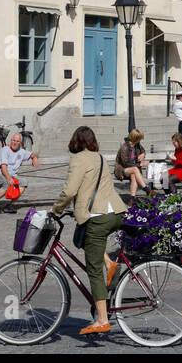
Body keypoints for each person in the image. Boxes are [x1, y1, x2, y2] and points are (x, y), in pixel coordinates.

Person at [53, 126, 127, 335]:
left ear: (75, 141)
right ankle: (109, 263)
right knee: (87, 240)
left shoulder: (78, 159)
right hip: (116, 212)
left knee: (92, 269)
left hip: (98, 216)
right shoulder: (100, 157)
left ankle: (102, 319)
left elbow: (69, 190)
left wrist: (56, 210)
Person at [0, 131, 38, 212]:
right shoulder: (5, 150)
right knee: (7, 183)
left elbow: (33, 154)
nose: (14, 143)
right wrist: (8, 178)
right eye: (13, 140)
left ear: (20, 143)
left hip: (12, 176)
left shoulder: (21, 151)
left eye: (17, 141)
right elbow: (3, 168)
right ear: (10, 140)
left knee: (24, 182)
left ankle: (10, 205)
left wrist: (34, 158)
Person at [114, 129, 149, 197]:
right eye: (139, 139)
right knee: (135, 169)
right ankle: (146, 189)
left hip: (133, 170)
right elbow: (125, 163)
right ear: (134, 138)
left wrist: (143, 154)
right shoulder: (125, 147)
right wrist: (140, 164)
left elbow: (143, 151)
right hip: (122, 170)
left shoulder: (137, 145)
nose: (140, 140)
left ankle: (132, 199)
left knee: (133, 176)